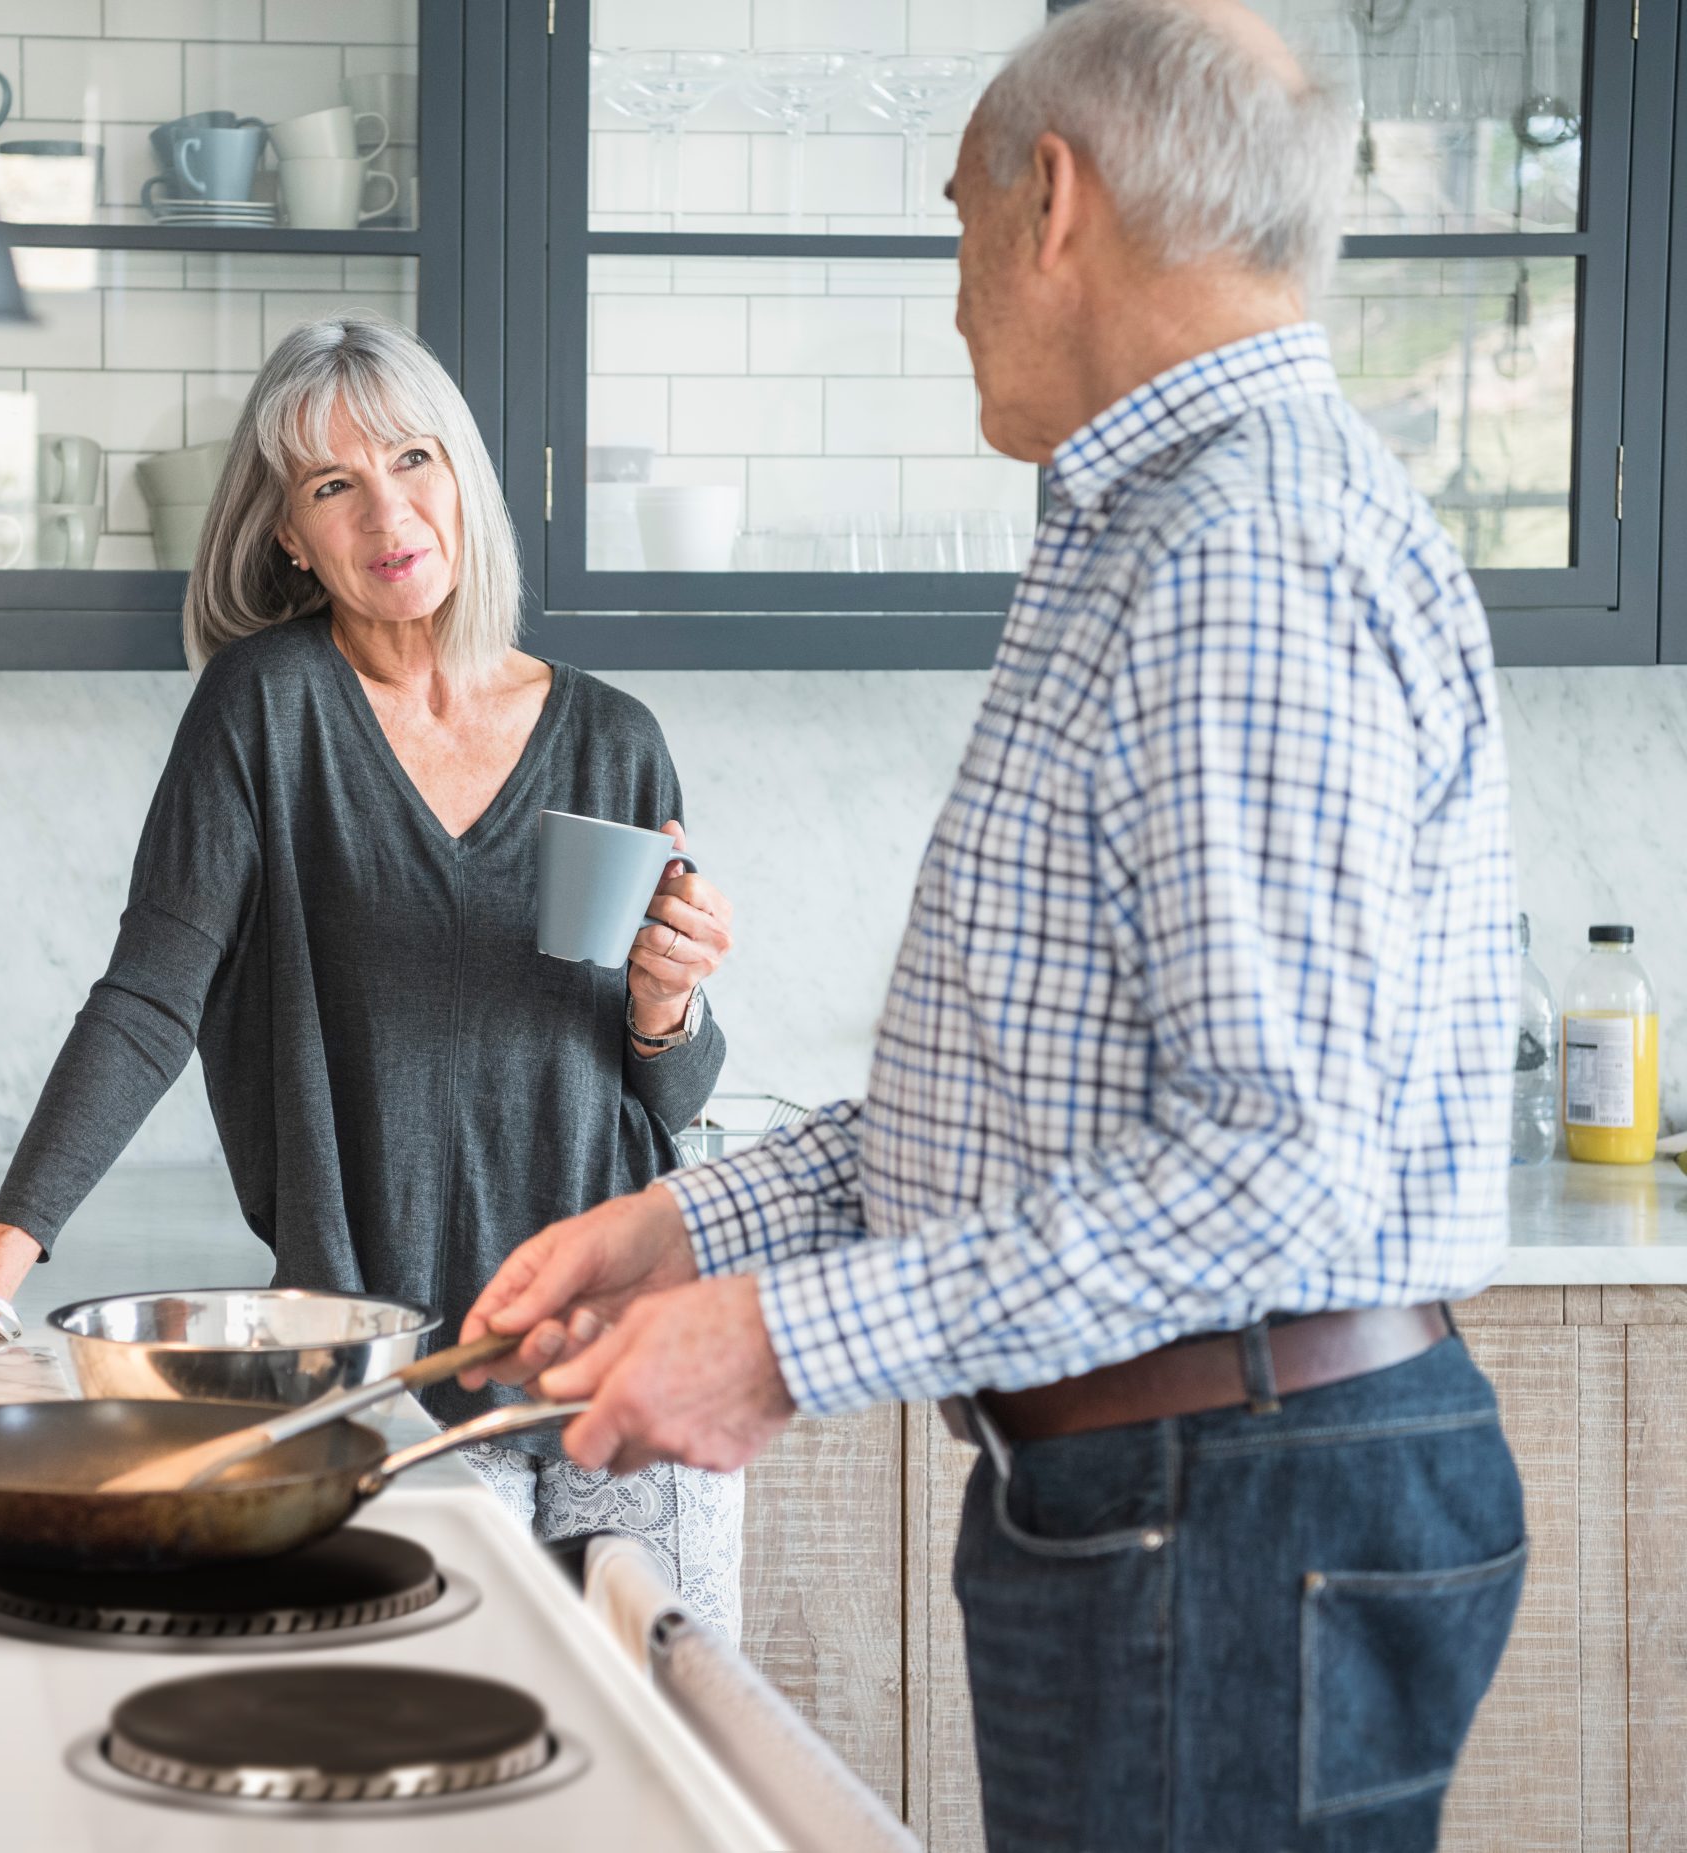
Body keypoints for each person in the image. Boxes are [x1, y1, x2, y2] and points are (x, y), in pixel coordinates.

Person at [459, 2, 1524, 1842]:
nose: (951, 290)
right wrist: (683, 1226)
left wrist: (778, 1340)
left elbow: (1268, 1170)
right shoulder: (1159, 526)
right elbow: (1040, 1100)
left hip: (1228, 1499)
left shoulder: (1242, 550)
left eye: (955, 218)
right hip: (1179, 1491)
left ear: (1053, 201)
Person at [0, 314, 750, 1630]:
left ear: (464, 474)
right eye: (334, 485)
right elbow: (150, 999)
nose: (389, 513)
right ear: (288, 534)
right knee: (433, 1739)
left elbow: (666, 1099)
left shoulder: (616, 737)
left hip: (630, 1359)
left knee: (671, 1735)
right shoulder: (267, 711)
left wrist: (671, 1003)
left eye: (414, 460)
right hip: (395, 1383)